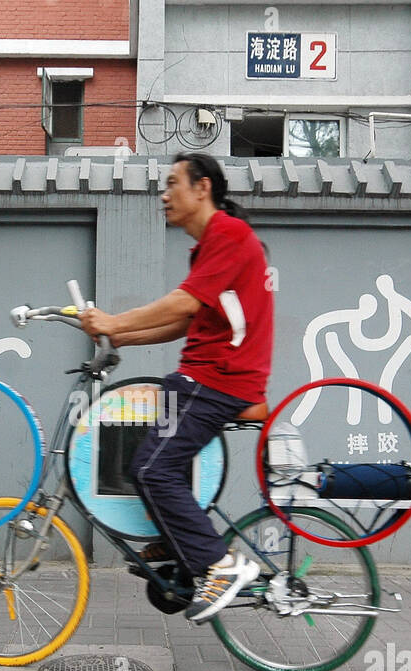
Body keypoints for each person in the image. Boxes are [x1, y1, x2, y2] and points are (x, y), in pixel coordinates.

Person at [80, 152, 273, 623]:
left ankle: (218, 565)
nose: (164, 195)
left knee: (151, 470)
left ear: (202, 188)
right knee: (155, 455)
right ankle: (177, 538)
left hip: (218, 380)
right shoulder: (208, 244)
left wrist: (113, 319)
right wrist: (119, 335)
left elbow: (181, 301)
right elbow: (188, 319)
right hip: (198, 378)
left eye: (172, 184)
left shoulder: (228, 233)